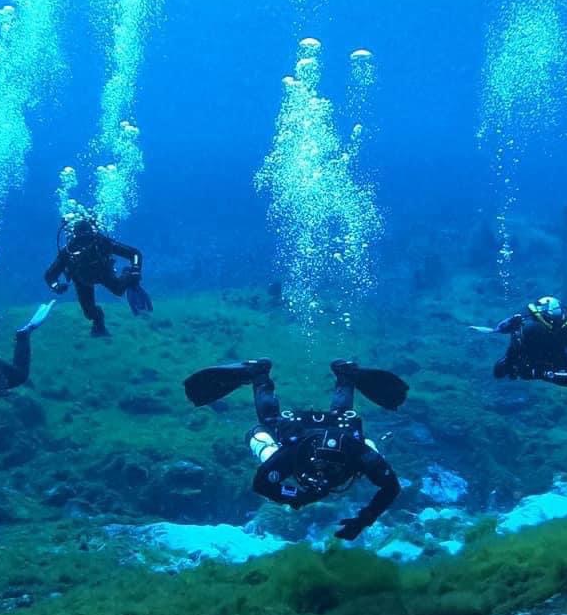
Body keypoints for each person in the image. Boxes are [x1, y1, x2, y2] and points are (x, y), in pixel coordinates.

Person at [184, 358, 409, 541]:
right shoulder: (296, 451)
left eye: (331, 467)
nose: (325, 473)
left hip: (341, 437)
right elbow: (261, 483)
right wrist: (298, 496)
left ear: (347, 458)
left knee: (340, 418)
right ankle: (263, 375)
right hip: (300, 436)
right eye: (322, 465)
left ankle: (263, 375)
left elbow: (391, 486)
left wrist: (363, 520)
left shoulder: (359, 452)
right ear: (311, 456)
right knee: (272, 422)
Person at [44, 217, 152, 337]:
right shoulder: (67, 252)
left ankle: (128, 275)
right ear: (74, 238)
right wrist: (56, 286)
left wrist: (135, 270)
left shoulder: (102, 242)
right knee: (89, 313)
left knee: (119, 290)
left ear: (92, 235)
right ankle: (99, 324)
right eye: (80, 240)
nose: (84, 245)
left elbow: (134, 253)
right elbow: (50, 276)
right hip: (82, 280)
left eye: (87, 238)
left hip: (102, 272)